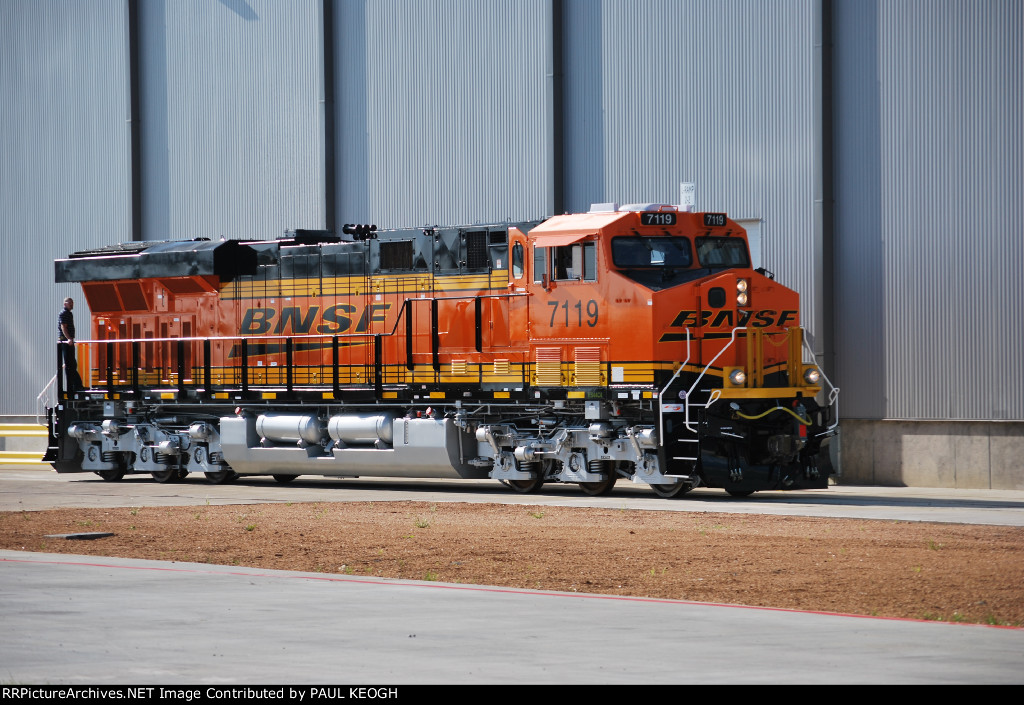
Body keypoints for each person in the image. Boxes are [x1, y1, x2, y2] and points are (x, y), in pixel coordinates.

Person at [58, 297, 84, 393]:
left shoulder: (69, 313)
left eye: (72, 303)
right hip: (65, 342)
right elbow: (63, 327)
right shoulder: (63, 313)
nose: (72, 304)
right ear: (65, 304)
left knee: (72, 364)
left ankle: (77, 385)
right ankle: (73, 386)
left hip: (69, 341)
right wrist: (68, 339)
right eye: (70, 303)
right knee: (70, 364)